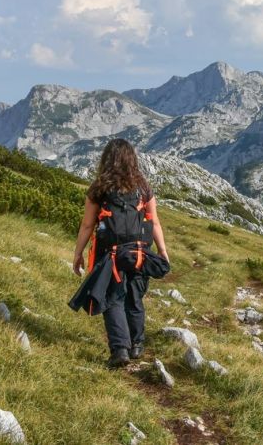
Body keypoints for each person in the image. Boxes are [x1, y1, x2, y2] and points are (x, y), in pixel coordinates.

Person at [71, 138, 169, 368]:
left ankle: (120, 349)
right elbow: (154, 223)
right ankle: (137, 344)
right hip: (139, 254)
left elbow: (87, 225)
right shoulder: (143, 187)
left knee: (112, 298)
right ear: (131, 159)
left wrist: (78, 253)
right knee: (135, 296)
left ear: (106, 159)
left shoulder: (99, 188)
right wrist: (163, 251)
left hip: (110, 256)